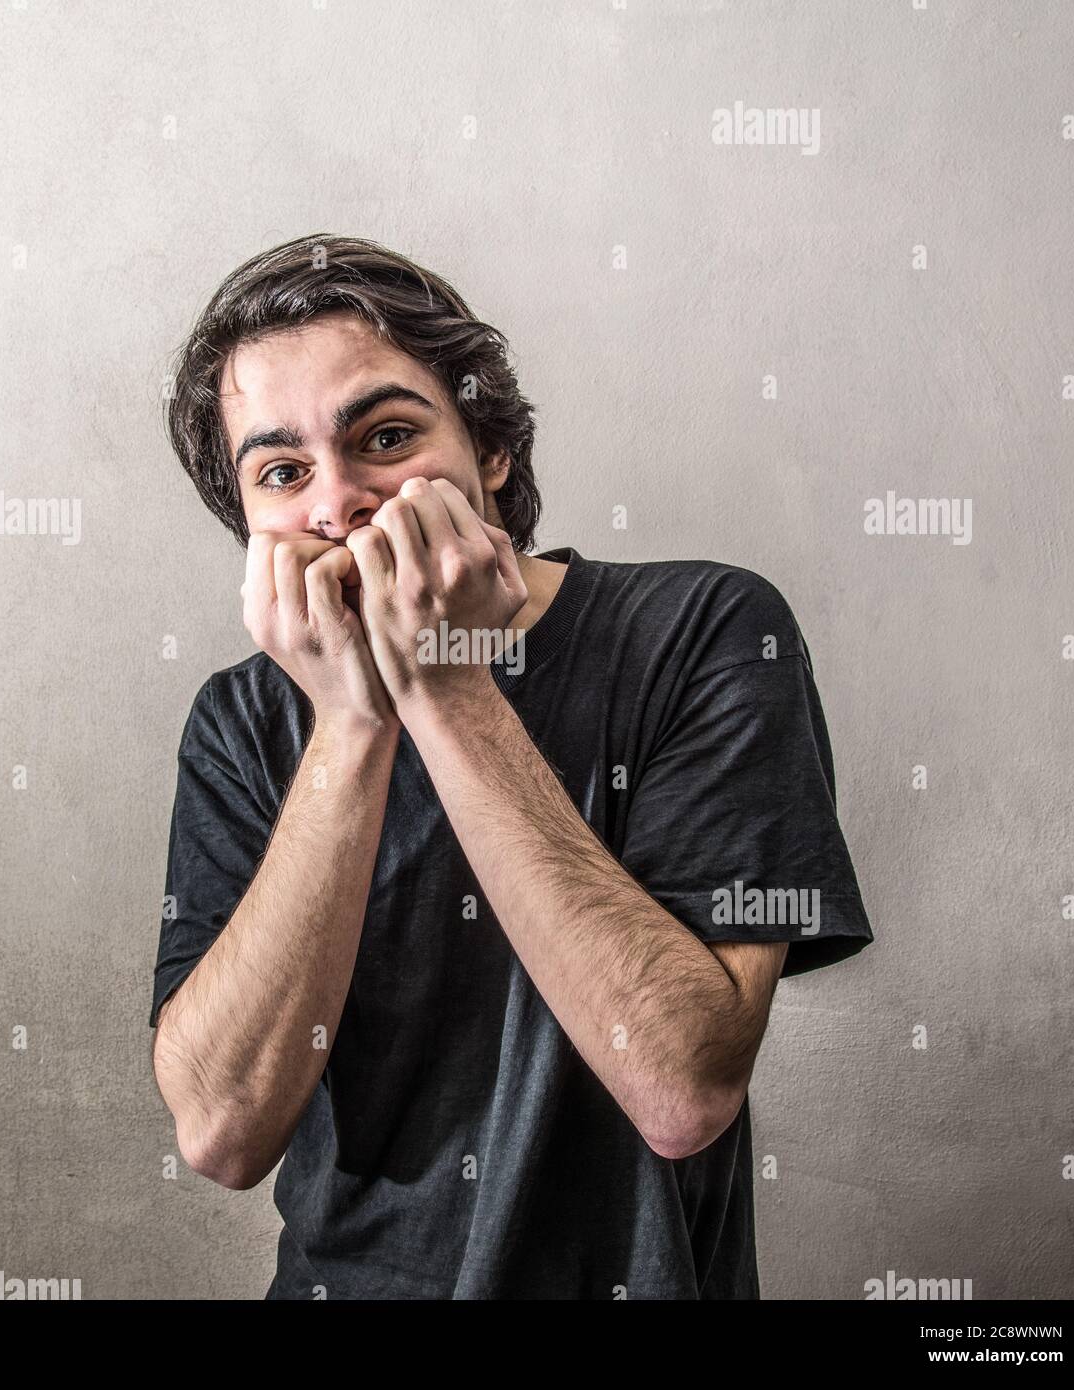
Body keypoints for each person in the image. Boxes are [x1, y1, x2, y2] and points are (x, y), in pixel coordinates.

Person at [148, 233, 874, 1299]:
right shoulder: (239, 722)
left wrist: (442, 682)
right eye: (283, 471)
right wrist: (352, 721)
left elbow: (683, 1089)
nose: (340, 499)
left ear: (489, 450)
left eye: (386, 435)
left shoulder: (706, 630)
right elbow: (221, 1131)